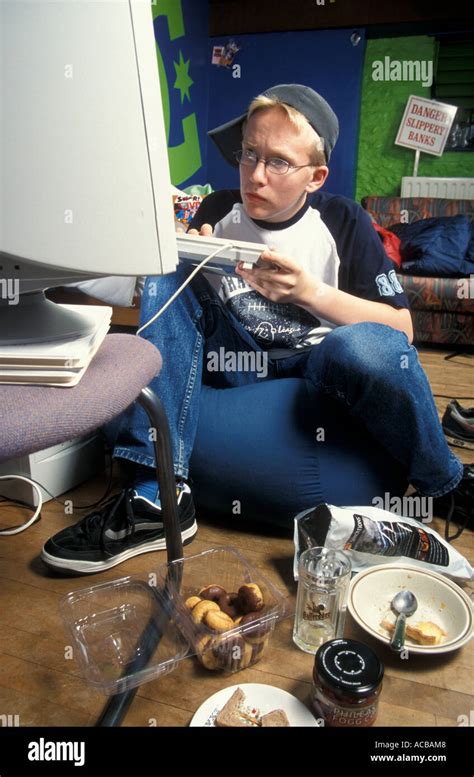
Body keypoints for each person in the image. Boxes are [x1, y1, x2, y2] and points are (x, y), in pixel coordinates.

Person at [41, 84, 473, 574]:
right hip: (233, 363)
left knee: (366, 347)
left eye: (279, 162)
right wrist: (193, 259)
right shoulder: (218, 209)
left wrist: (308, 292)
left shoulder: (343, 220)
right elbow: (177, 311)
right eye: (249, 154)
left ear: (316, 176)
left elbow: (402, 330)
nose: (256, 175)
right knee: (165, 264)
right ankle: (156, 499)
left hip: (319, 366)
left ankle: (446, 484)